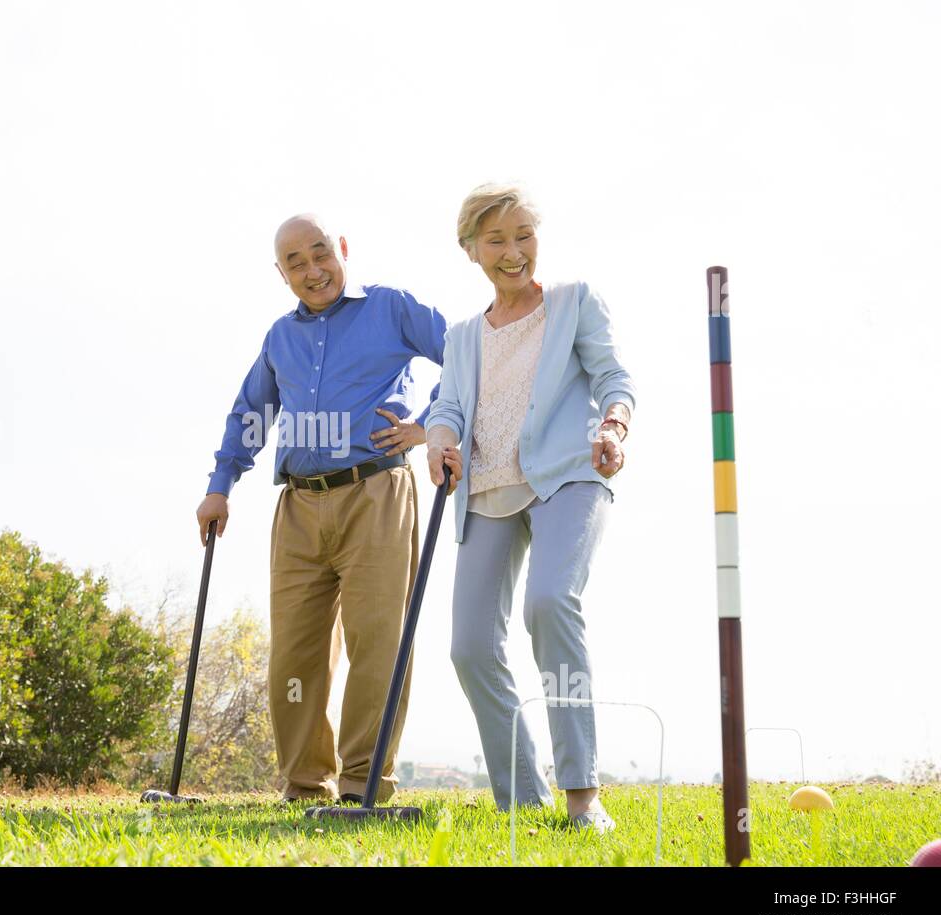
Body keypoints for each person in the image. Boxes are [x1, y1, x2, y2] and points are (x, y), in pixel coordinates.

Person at [195, 213, 447, 803]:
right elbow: (249, 413)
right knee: (294, 653)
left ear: (343, 248)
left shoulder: (392, 308)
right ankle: (306, 787)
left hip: (376, 493)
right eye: (296, 263)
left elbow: (467, 353)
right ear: (281, 275)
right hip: (298, 507)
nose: (313, 271)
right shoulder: (280, 337)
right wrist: (220, 485)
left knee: (378, 641)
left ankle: (364, 784)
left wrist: (429, 425)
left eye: (320, 254)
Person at [424, 182, 636, 833]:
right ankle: (523, 798)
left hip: (569, 476)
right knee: (469, 648)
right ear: (471, 251)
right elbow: (448, 409)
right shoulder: (462, 337)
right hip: (487, 490)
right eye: (497, 240)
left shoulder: (573, 303)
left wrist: (615, 428)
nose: (514, 252)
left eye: (524, 236)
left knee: (549, 602)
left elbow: (614, 379)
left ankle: (582, 794)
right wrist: (439, 440)